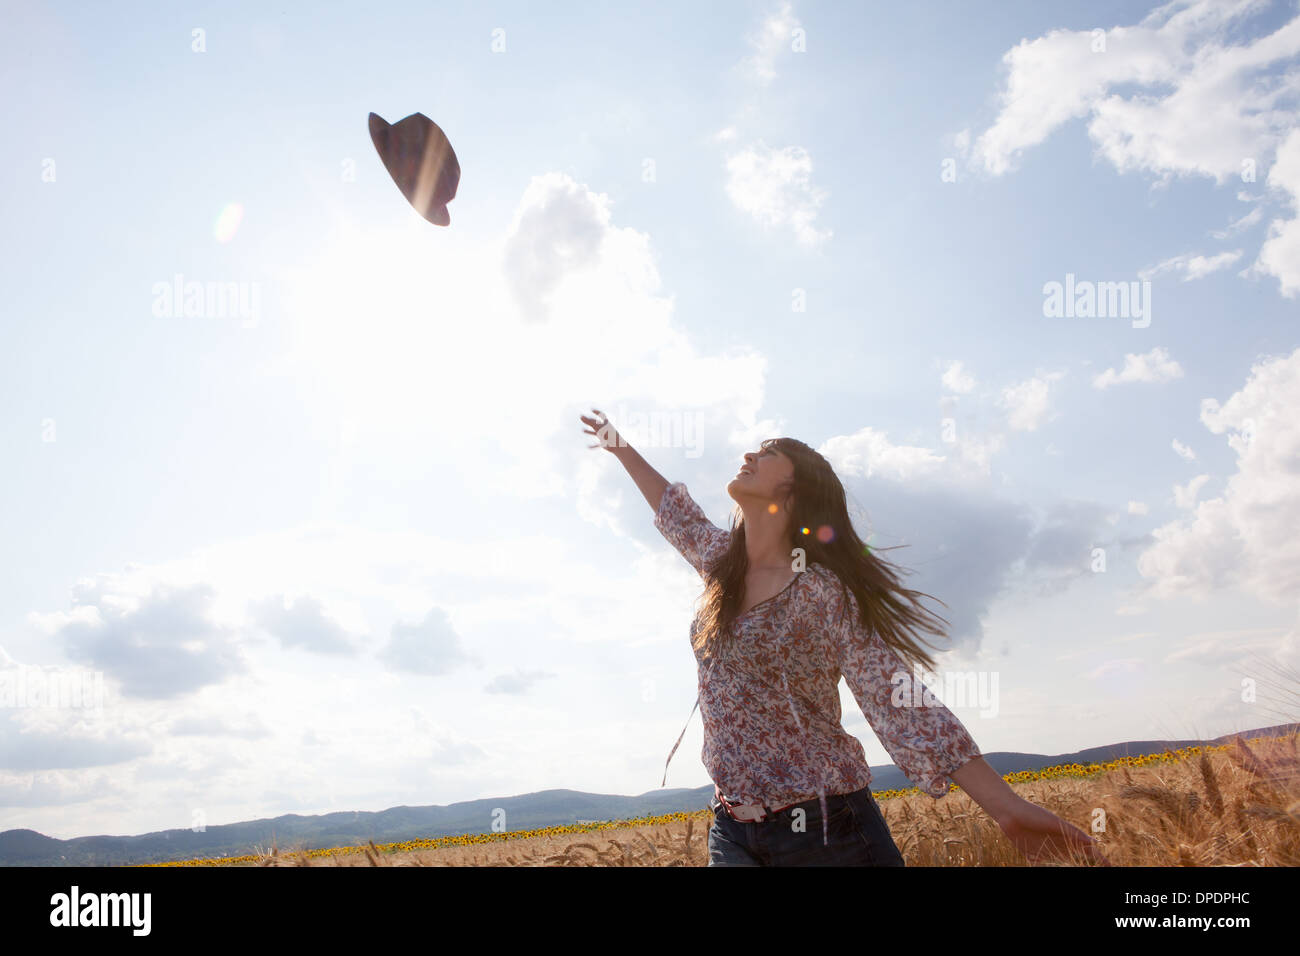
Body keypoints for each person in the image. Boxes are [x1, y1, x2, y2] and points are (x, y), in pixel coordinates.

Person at [580, 408, 1110, 867]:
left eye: (767, 453)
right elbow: (677, 514)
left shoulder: (819, 591)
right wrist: (620, 448)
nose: (749, 454)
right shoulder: (723, 566)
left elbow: (895, 696)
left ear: (794, 490)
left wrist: (1005, 806)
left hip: (825, 829)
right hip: (732, 826)